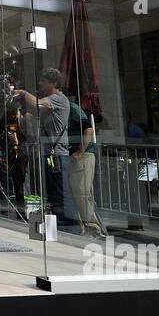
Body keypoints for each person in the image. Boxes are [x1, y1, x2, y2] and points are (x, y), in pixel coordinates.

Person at [13, 68, 77, 227]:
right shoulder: (50, 100)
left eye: (43, 80)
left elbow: (36, 102)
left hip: (58, 153)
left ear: (53, 82)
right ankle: (58, 218)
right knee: (52, 187)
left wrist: (22, 93)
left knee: (58, 187)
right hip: (49, 152)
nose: (40, 83)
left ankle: (65, 220)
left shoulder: (58, 99)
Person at [66, 90, 102, 237]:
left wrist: (80, 151)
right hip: (73, 155)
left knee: (81, 191)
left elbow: (88, 129)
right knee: (78, 192)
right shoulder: (65, 110)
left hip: (82, 155)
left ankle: (92, 226)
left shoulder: (72, 108)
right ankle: (84, 226)